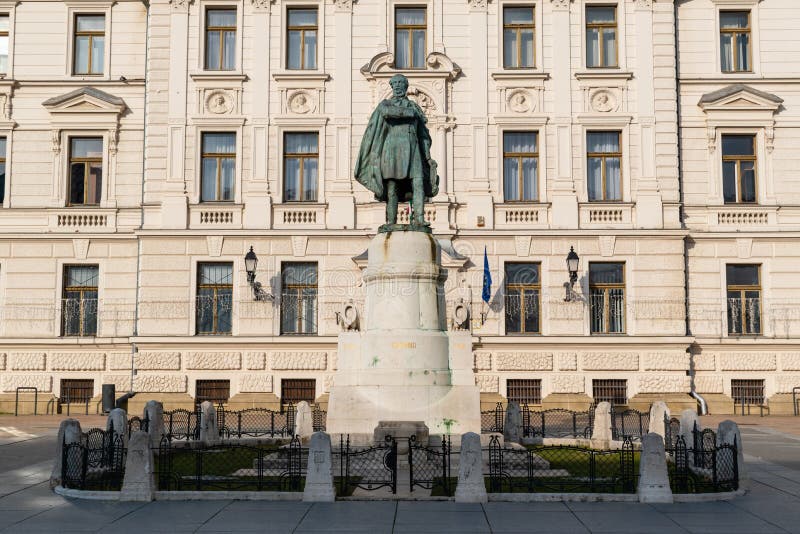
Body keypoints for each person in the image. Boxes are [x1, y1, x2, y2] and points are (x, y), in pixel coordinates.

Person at [354, 73, 438, 227]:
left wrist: (427, 157)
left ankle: (419, 218)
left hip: (413, 150)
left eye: (401, 83)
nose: (398, 86)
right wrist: (410, 114)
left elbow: (423, 135)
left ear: (406, 87)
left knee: (418, 182)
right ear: (392, 87)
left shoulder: (414, 106)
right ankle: (391, 221)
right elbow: (387, 113)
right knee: (392, 187)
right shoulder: (385, 105)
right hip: (391, 151)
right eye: (395, 83)